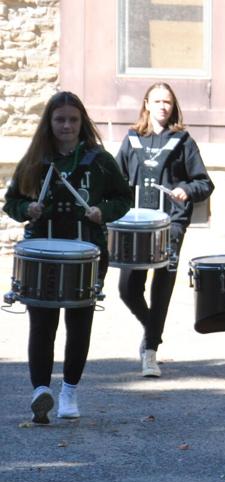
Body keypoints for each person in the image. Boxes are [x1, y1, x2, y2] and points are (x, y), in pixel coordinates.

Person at [5, 92, 133, 423]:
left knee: (79, 324)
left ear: (82, 123)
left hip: (86, 251)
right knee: (42, 324)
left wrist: (101, 212)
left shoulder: (99, 160)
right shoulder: (35, 159)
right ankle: (40, 392)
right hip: (41, 252)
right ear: (49, 122)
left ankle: (69, 392)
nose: (66, 125)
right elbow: (12, 202)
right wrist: (26, 208)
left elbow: (123, 198)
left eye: (73, 120)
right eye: (60, 119)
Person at [115, 82, 212, 379]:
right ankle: (151, 329)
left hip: (171, 223)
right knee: (127, 288)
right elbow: (116, 180)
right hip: (136, 223)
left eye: (167, 102)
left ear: (173, 106)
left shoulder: (183, 141)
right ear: (146, 104)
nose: (162, 107)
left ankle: (150, 352)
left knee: (162, 288)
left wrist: (185, 189)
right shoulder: (132, 139)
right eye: (156, 101)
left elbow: (204, 183)